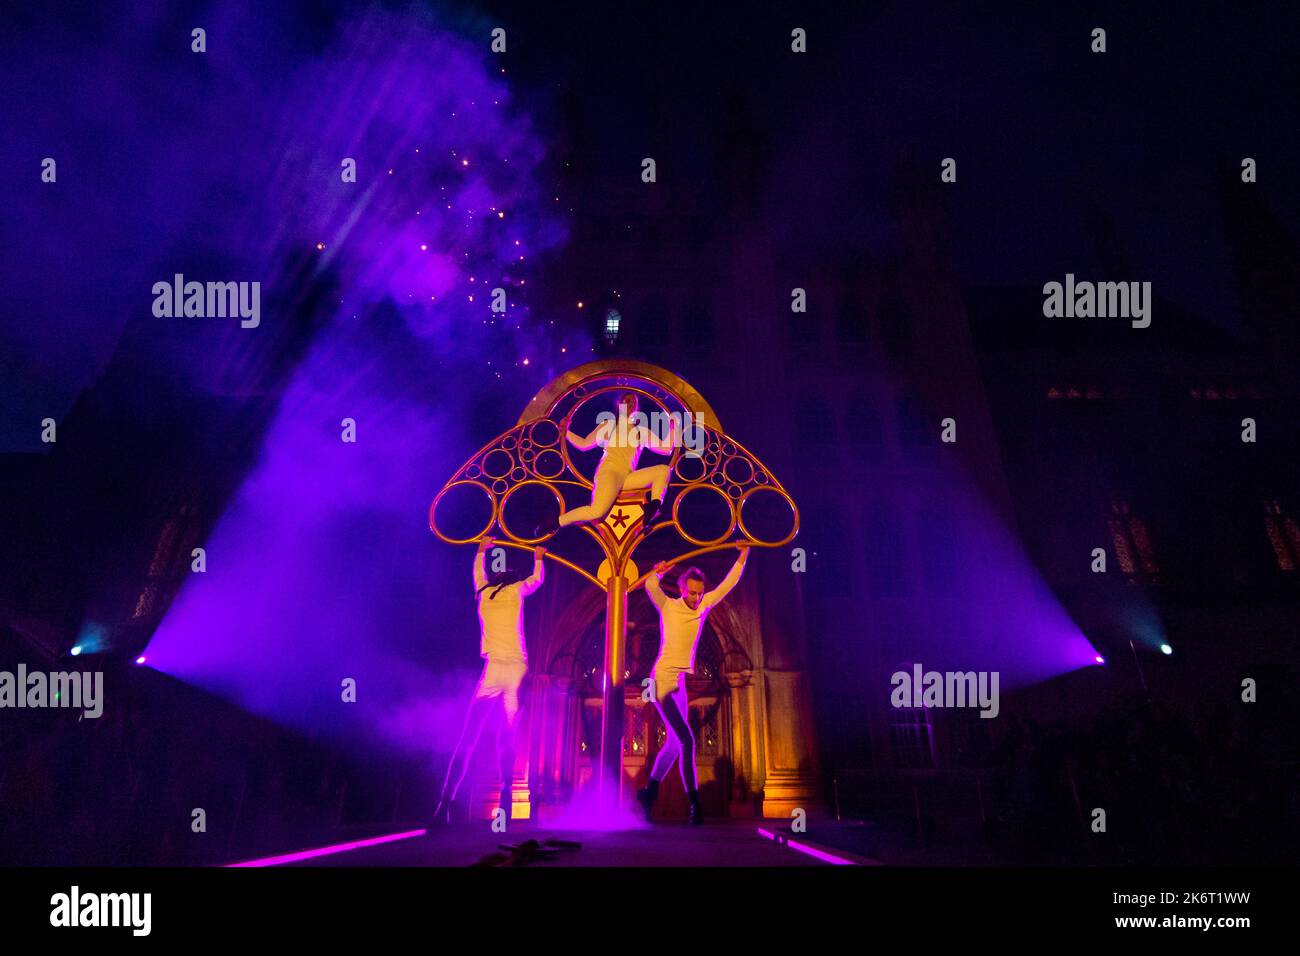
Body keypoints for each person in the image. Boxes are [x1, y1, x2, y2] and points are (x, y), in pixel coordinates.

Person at [431, 536, 544, 828]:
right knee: (501, 738)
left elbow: (477, 570)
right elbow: (536, 579)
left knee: (471, 737)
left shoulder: (484, 591)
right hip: (512, 668)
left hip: (496, 668)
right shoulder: (515, 590)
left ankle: (446, 802)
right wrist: (539, 555)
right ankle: (499, 802)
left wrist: (483, 548)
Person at [636, 546, 749, 824]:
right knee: (687, 739)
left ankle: (649, 792)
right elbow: (650, 586)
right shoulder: (669, 606)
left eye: (700, 592)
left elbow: (729, 584)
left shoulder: (705, 604)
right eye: (692, 592)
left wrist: (743, 556)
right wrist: (657, 572)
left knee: (675, 745)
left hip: (681, 681)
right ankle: (695, 805)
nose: (697, 598)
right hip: (660, 679)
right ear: (683, 589)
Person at [535, 392, 676, 537]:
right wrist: (566, 432)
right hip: (610, 472)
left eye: (633, 402)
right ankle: (556, 522)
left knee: (664, 470)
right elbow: (583, 444)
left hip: (627, 477)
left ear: (637, 409)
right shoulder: (609, 425)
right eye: (626, 400)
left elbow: (666, 449)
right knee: (597, 511)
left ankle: (653, 508)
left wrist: (673, 428)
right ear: (619, 405)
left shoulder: (641, 432)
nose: (630, 403)